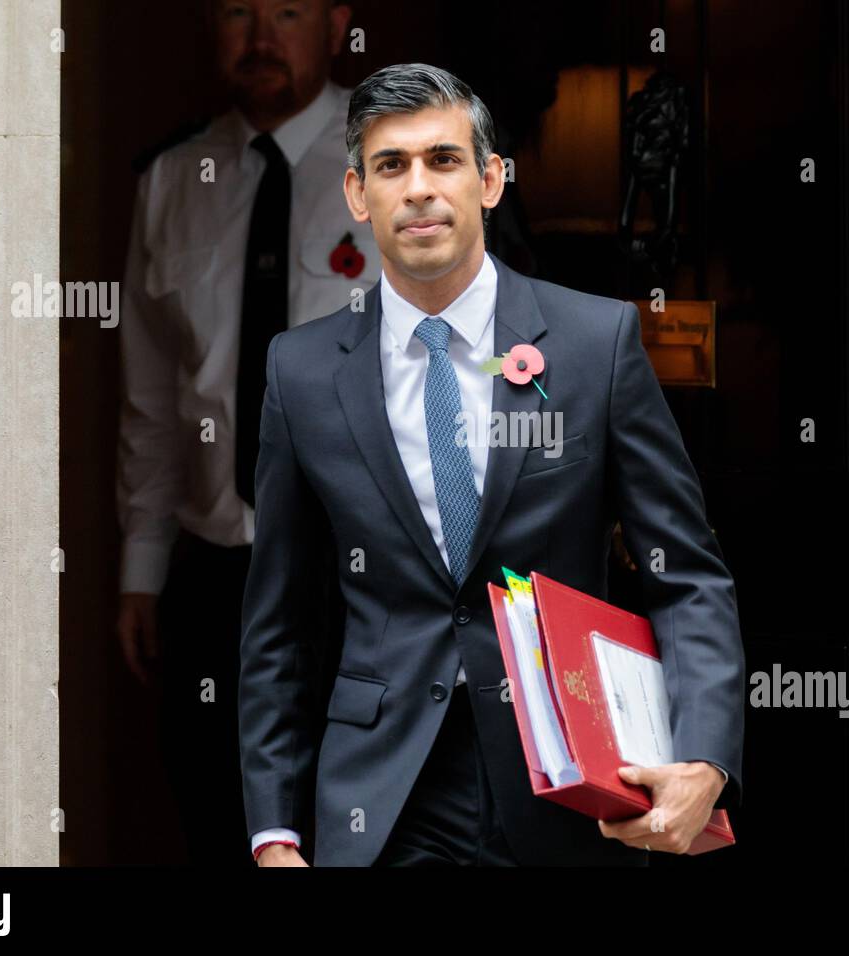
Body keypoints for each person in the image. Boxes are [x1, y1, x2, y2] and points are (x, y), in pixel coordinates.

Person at [241, 62, 745, 867]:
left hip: (575, 792)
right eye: (390, 165)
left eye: (443, 160)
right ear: (355, 194)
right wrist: (274, 835)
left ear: (491, 179)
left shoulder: (595, 345)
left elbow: (685, 574)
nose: (417, 189)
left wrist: (705, 759)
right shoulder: (300, 374)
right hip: (384, 803)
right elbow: (279, 623)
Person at [115, 0, 364, 864]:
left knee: (358, 824)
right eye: (237, 13)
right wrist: (142, 569)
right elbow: (150, 398)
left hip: (359, 576)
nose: (261, 37)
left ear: (337, 25)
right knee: (218, 820)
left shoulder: (400, 161)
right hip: (217, 575)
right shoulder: (172, 180)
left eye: (288, 11)